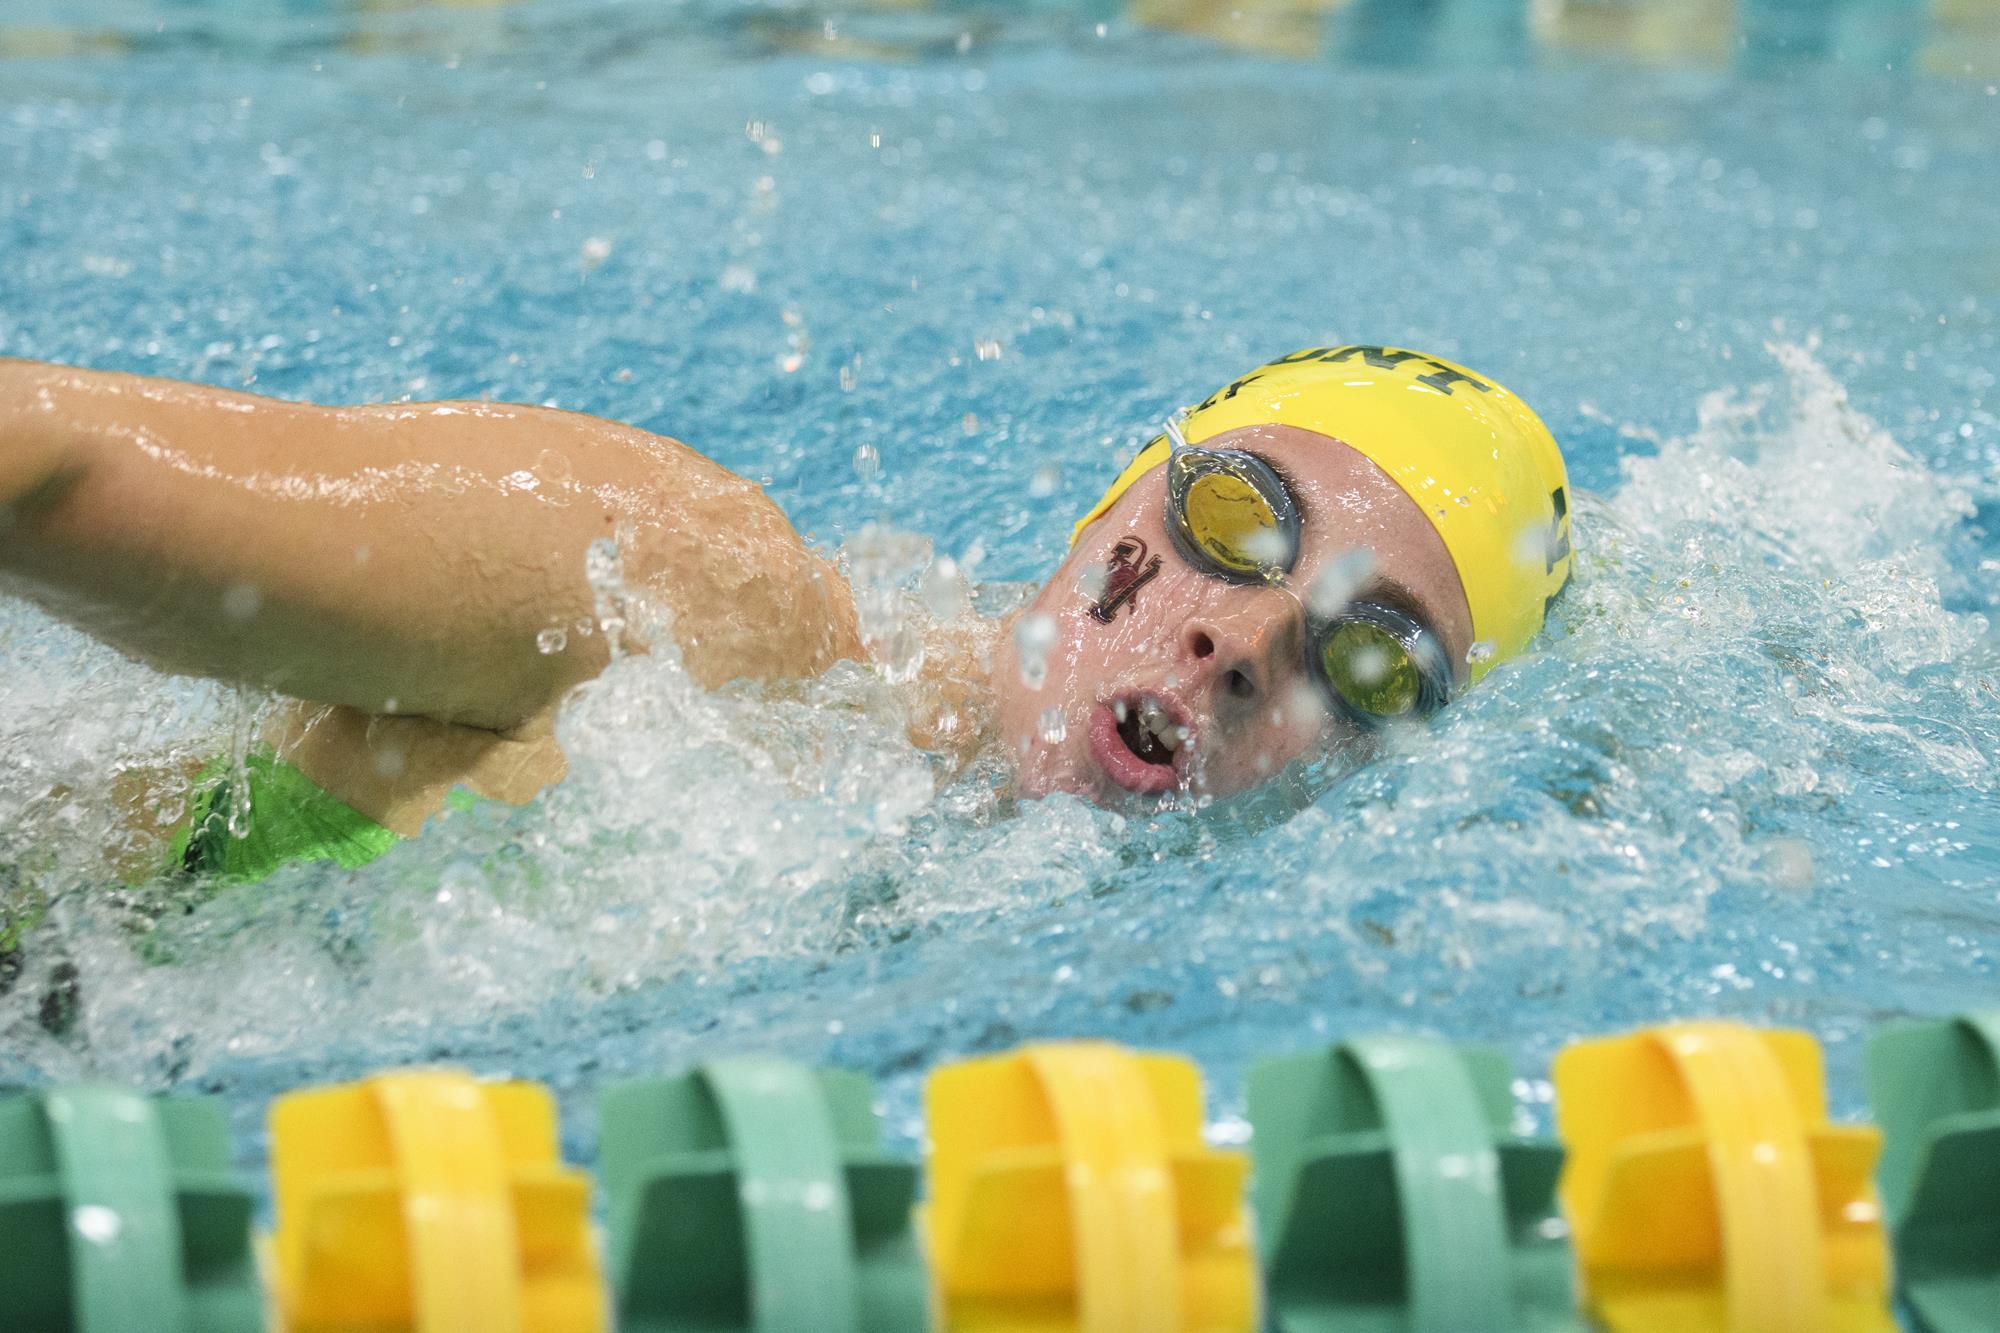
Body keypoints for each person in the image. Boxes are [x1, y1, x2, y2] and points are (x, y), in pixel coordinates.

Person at [0, 344, 1573, 883]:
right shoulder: (688, 604)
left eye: (1368, 661)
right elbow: (53, 475)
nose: (1241, 639)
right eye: (1238, 519)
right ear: (1112, 509)